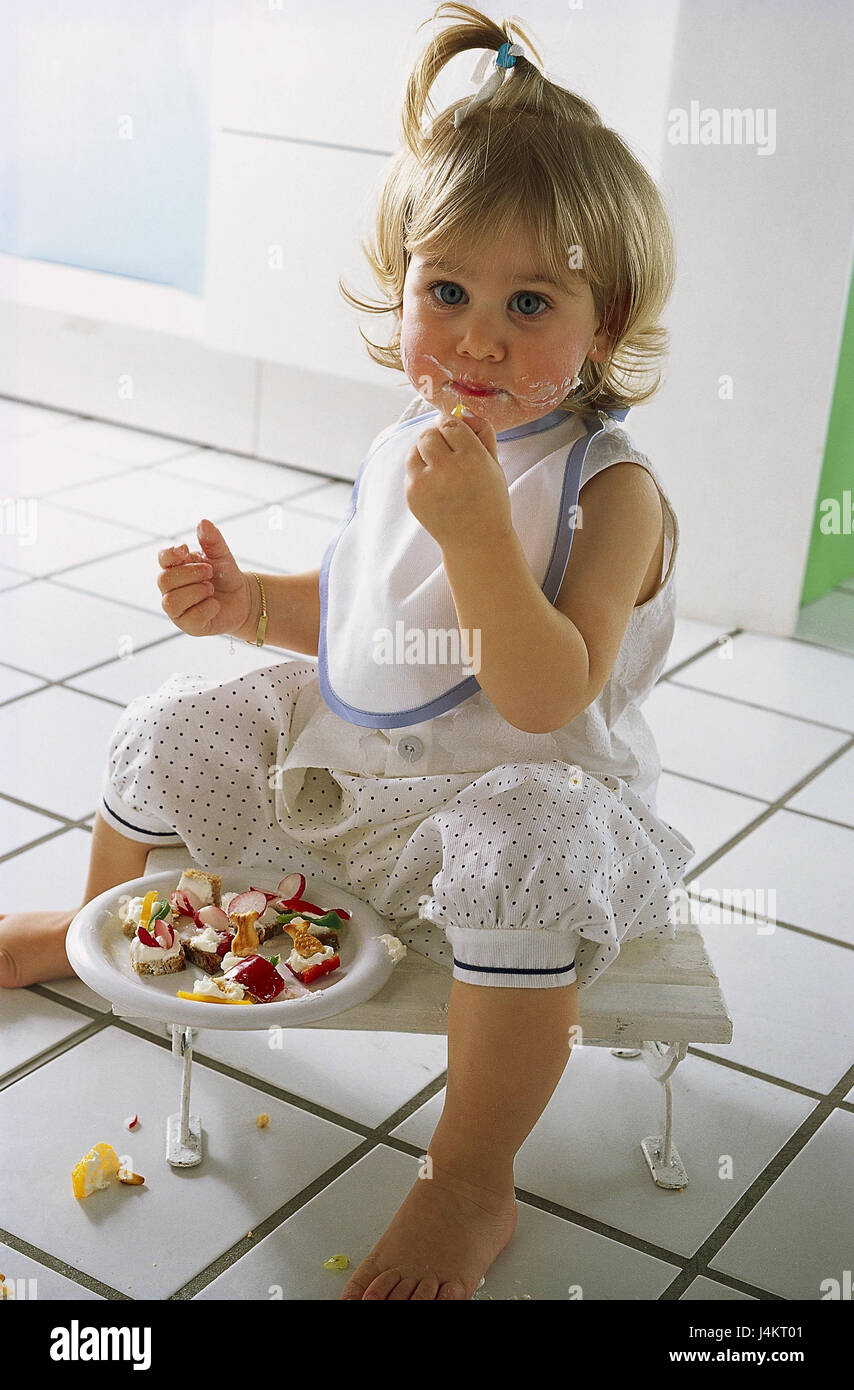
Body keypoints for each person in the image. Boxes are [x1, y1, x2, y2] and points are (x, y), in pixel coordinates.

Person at [0, 3, 695, 1300]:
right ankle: (107, 930)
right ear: (401, 289)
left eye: (527, 301)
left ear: (602, 326)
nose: (477, 337)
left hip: (522, 799)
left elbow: (545, 693)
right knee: (173, 723)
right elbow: (368, 615)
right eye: (447, 291)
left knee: (522, 846)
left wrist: (487, 538)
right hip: (359, 778)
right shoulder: (411, 441)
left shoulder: (613, 494)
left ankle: (468, 1178)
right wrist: (247, 603)